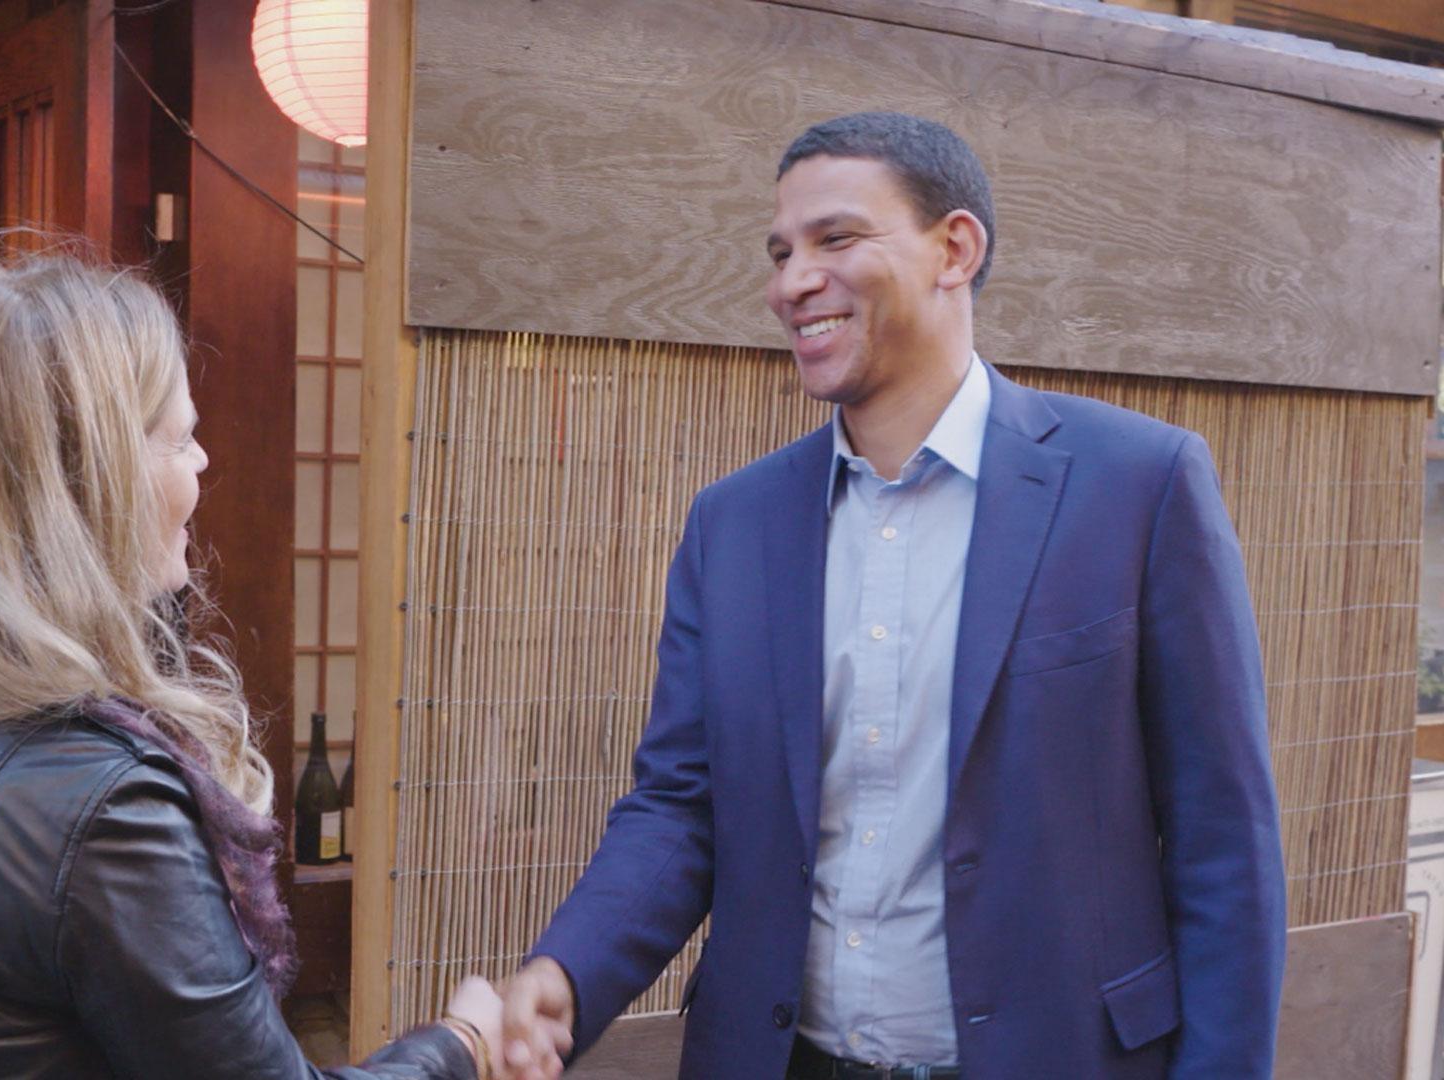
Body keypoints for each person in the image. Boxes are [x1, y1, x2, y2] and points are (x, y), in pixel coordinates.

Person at [499, 112, 1286, 1079]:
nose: (793, 282)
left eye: (837, 239)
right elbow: (681, 807)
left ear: (955, 249)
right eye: (781, 252)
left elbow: (1223, 844)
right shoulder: (733, 524)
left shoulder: (1139, 484)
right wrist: (565, 975)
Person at [0, 241, 501, 1079]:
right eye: (181, 439)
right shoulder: (94, 808)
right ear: (82, 482)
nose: (203, 466)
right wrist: (462, 1048)